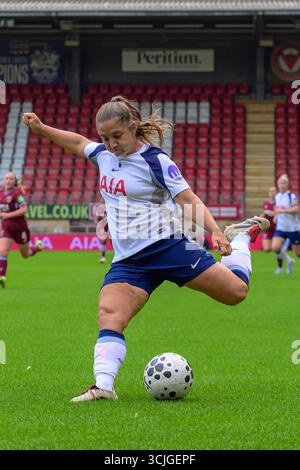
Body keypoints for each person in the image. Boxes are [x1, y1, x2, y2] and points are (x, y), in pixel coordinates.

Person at [22, 96, 269, 402]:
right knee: (109, 314)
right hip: (129, 261)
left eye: (117, 136)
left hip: (167, 246)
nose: (110, 144)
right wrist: (42, 127)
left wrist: (217, 232)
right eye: (105, 137)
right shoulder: (102, 155)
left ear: (134, 128)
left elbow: (188, 200)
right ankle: (104, 387)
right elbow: (77, 143)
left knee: (235, 293)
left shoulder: (156, 161)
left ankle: (242, 236)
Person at [0, 172, 43, 288]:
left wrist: (6, 215)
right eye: (6, 178)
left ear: (14, 182)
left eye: (11, 179)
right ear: (3, 180)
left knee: (25, 254)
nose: (8, 180)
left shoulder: (17, 193)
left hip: (20, 228)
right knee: (2, 251)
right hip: (7, 227)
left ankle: (37, 248)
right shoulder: (0, 193)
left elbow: (24, 209)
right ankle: (2, 276)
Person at [260, 186, 293, 274]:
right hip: (268, 229)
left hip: (278, 228)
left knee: (276, 248)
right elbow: (264, 213)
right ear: (269, 193)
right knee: (267, 249)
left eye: (274, 191)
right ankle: (288, 260)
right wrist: (261, 216)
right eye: (271, 191)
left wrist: (274, 213)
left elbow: (282, 211)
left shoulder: (279, 202)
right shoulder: (266, 203)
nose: (272, 193)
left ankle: (280, 268)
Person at [272, 174, 300, 275]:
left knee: (297, 253)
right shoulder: (277, 196)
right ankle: (287, 261)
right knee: (275, 247)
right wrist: (276, 216)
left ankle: (291, 261)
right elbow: (277, 209)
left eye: (284, 183)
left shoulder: (291, 196)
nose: (282, 185)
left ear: (287, 184)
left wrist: (283, 211)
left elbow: (296, 209)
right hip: (281, 228)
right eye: (280, 183)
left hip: (293, 228)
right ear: (278, 184)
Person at [94, 195, 109, 264]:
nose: (102, 200)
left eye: (103, 198)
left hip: (112, 226)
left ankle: (118, 256)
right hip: (104, 226)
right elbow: (97, 218)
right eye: (101, 199)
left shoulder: (110, 205)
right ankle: (102, 257)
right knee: (103, 241)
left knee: (113, 242)